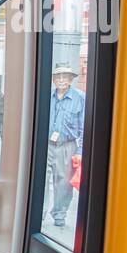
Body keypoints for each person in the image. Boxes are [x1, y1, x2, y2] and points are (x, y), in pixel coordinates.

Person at [47, 64, 85, 227]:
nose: (61, 80)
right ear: (54, 80)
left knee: (63, 182)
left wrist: (81, 151)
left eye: (65, 77)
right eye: (58, 77)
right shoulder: (47, 96)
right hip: (46, 144)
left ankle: (59, 214)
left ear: (70, 79)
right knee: (40, 179)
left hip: (67, 146)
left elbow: (85, 127)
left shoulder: (80, 98)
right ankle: (38, 214)